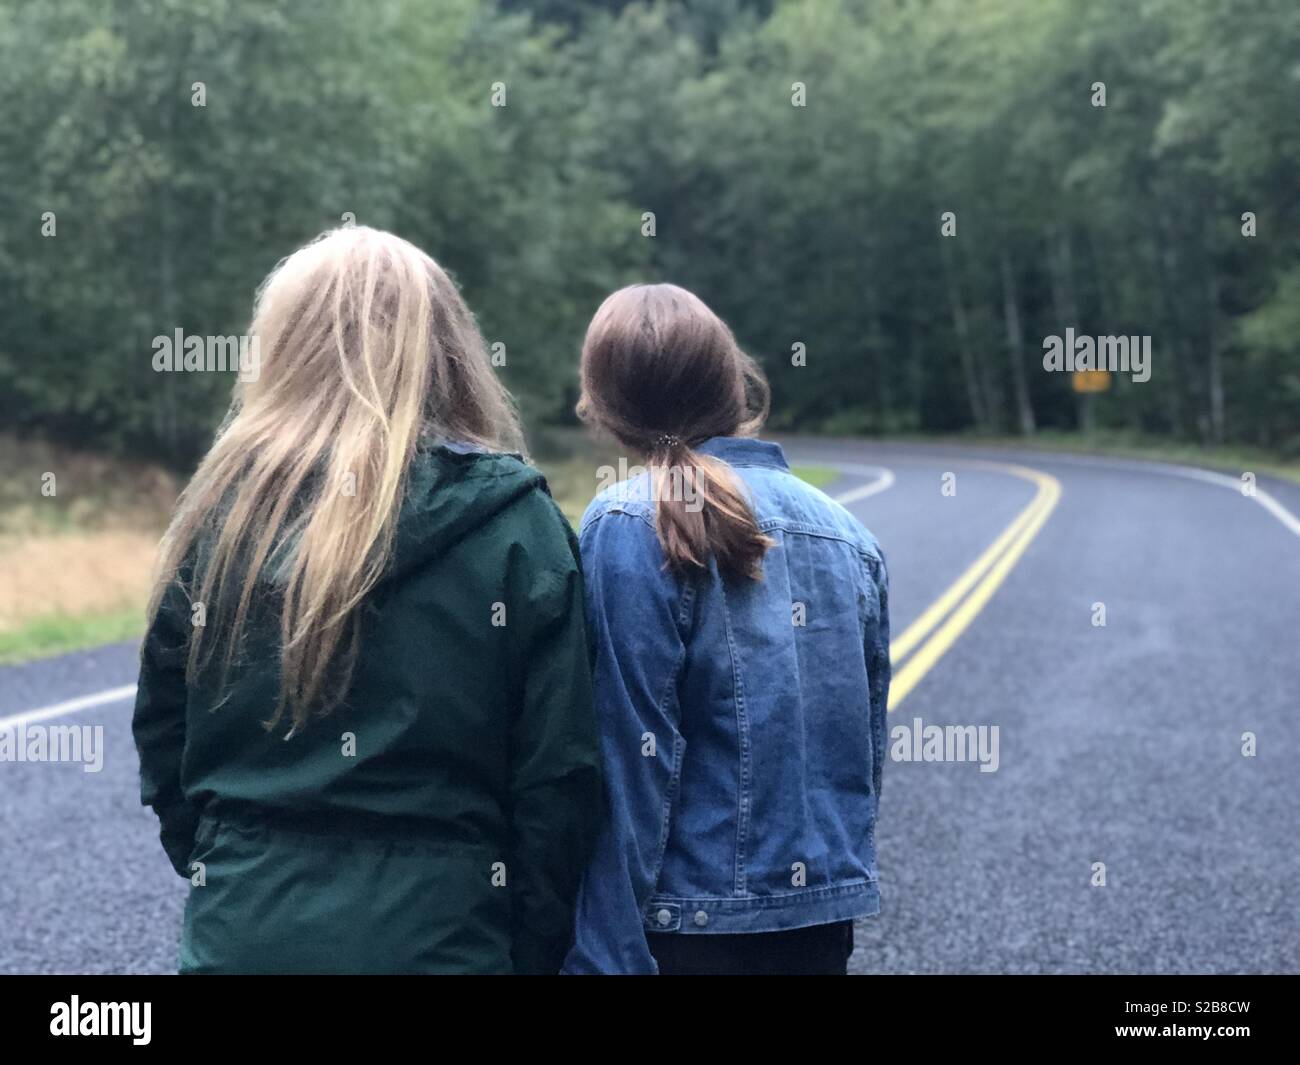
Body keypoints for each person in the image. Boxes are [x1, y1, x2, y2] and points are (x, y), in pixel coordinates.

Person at [132, 226, 601, 974]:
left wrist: (233, 869)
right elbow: (559, 780)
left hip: (243, 935)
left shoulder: (219, 520)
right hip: (445, 939)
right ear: (448, 350)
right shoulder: (515, 524)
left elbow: (164, 742)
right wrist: (525, 944)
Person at [563, 283, 890, 975]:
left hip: (688, 928)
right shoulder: (850, 535)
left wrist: (602, 956)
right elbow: (863, 750)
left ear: (605, 404)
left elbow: (631, 760)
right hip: (820, 922)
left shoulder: (625, 521)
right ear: (732, 382)